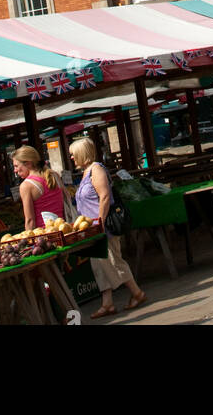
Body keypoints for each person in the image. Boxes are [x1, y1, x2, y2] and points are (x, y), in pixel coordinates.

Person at [69, 136, 145, 318]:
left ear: (82, 153)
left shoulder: (97, 170)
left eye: (73, 154)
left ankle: (137, 293)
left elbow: (104, 197)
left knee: (113, 261)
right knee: (99, 266)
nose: (71, 158)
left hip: (103, 228)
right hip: (91, 229)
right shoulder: (86, 173)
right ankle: (107, 303)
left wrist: (100, 223)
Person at [12, 145, 66, 230]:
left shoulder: (26, 186)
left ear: (28, 163)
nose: (15, 170)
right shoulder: (54, 175)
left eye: (16, 166)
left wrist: (29, 240)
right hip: (63, 230)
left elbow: (30, 221)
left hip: (44, 236)